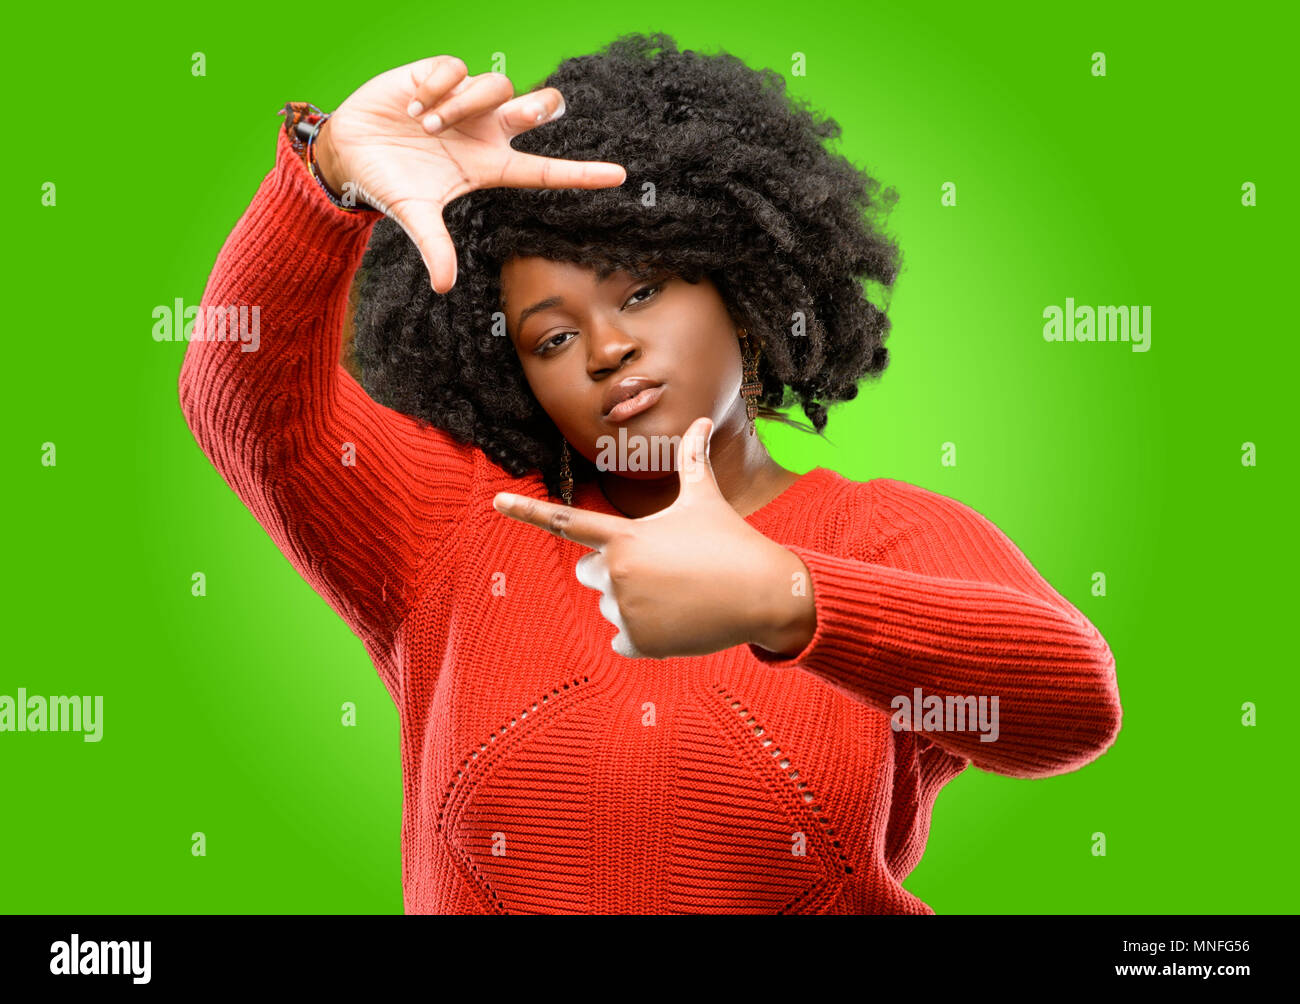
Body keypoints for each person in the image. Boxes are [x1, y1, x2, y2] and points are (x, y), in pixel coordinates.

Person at [178, 32, 1122, 914]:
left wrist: (783, 596)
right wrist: (331, 175)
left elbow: (1070, 707)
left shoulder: (885, 538)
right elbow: (246, 401)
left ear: (741, 291)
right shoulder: (458, 528)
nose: (606, 349)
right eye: (552, 336)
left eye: (640, 291)